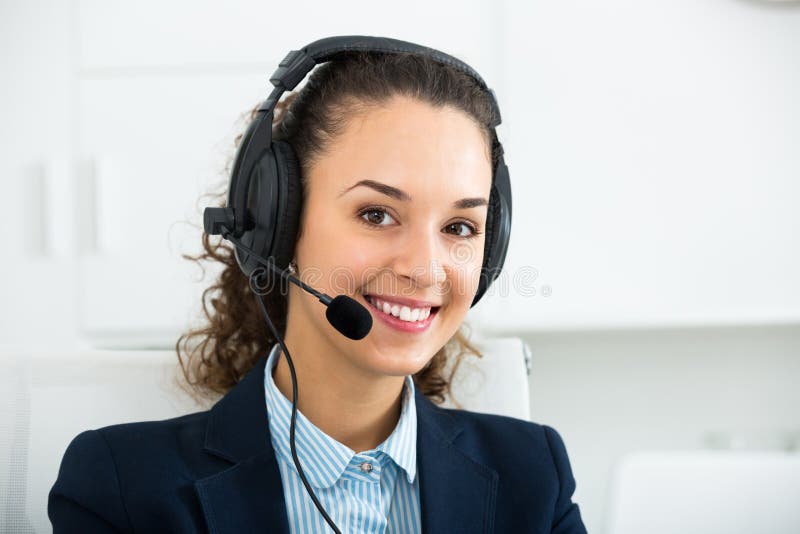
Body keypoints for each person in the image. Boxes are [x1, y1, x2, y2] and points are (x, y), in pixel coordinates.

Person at [48, 42, 587, 533]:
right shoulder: (121, 488)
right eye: (376, 214)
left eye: (459, 227)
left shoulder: (534, 477)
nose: (425, 270)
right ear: (276, 224)